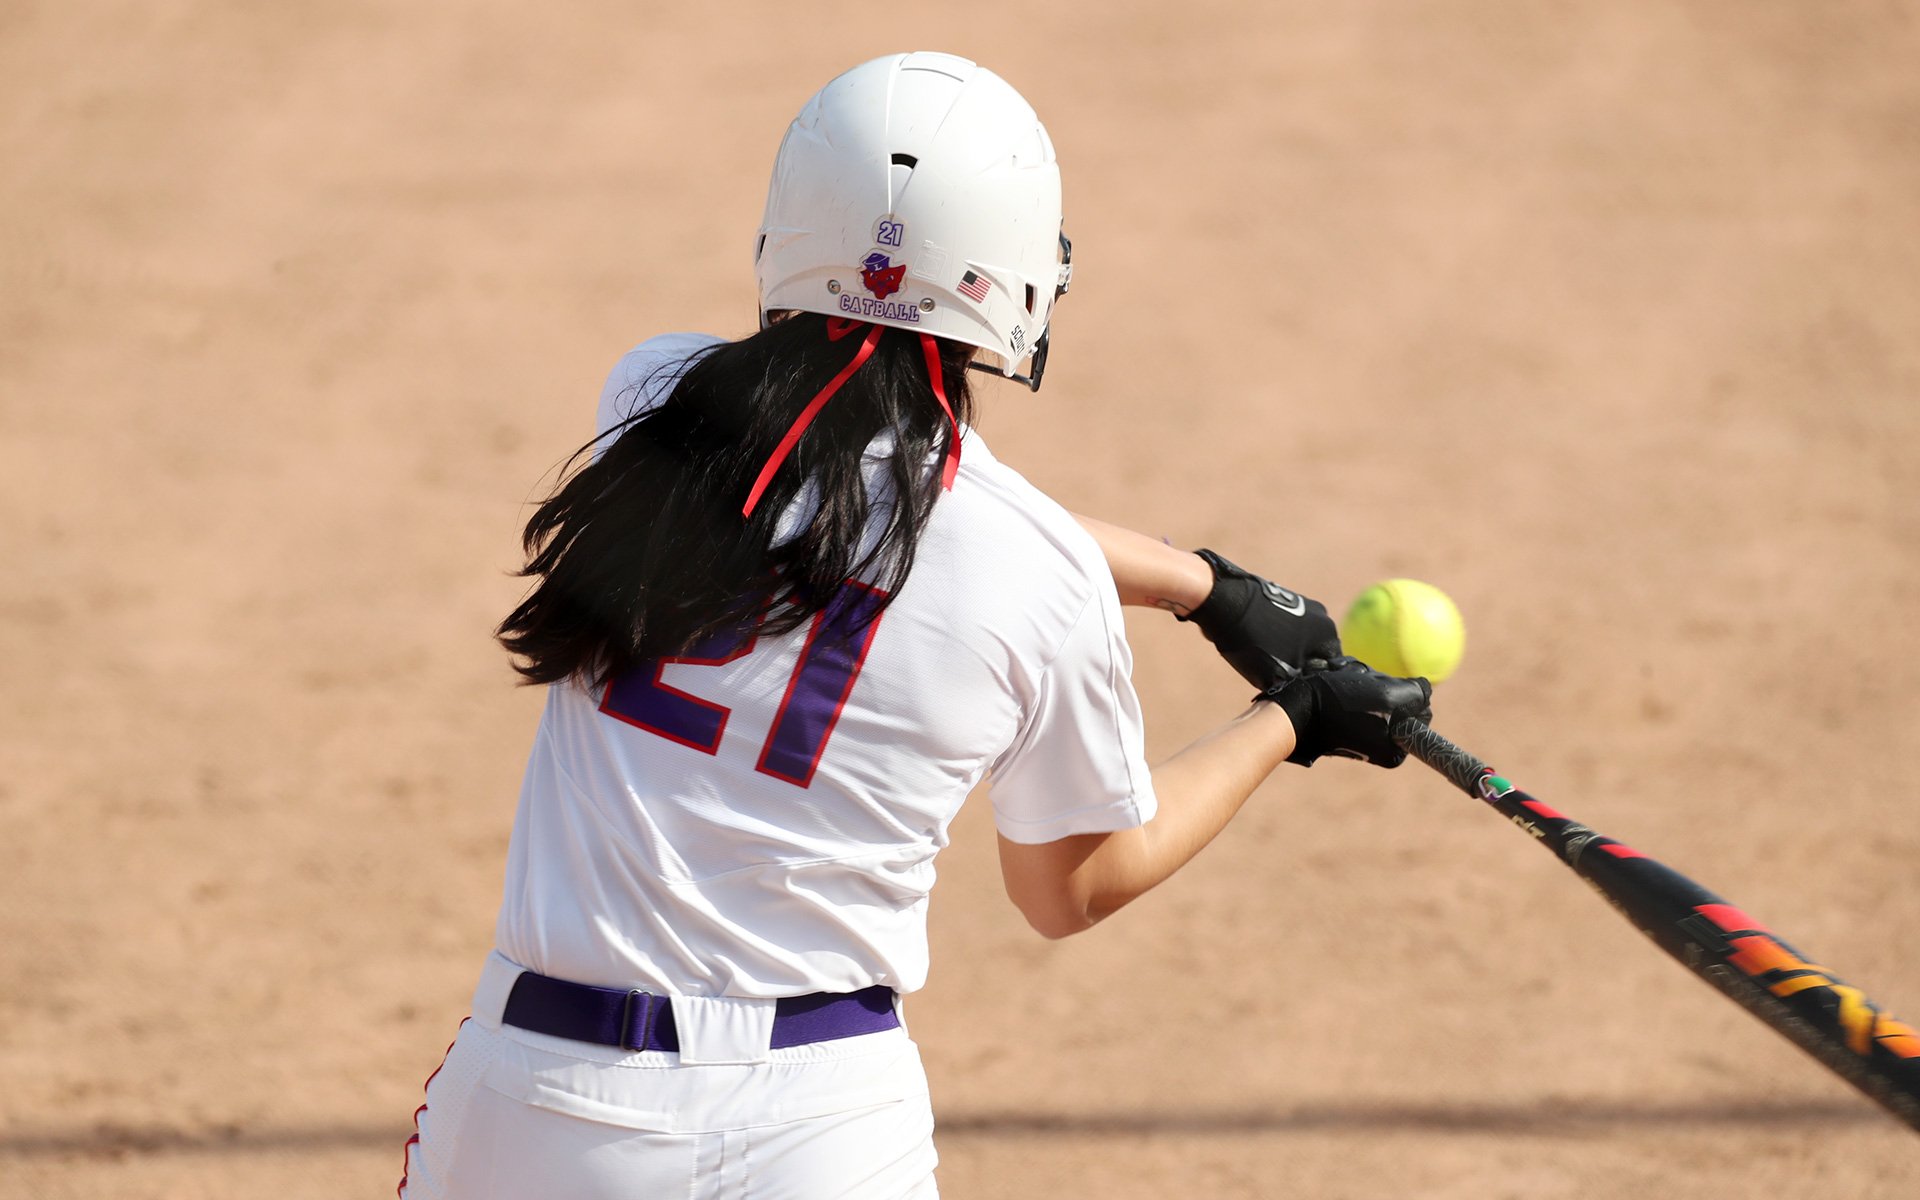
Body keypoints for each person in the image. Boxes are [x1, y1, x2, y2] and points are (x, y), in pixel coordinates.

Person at [399, 51, 1432, 1200]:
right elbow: (1073, 887)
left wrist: (1204, 585)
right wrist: (1288, 719)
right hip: (817, 1131)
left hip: (538, 1107)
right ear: (1017, 287)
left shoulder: (652, 406)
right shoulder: (1031, 575)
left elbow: (861, 495)